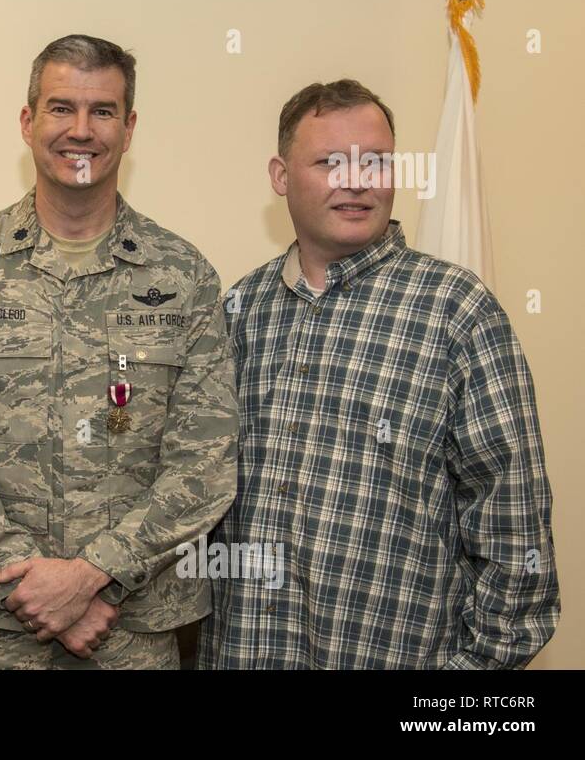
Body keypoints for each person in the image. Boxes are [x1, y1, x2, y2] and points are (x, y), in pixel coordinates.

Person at [0, 34, 238, 669]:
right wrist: (27, 583)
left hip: (129, 632)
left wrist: (92, 577)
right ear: (28, 122)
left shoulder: (186, 277)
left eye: (103, 111)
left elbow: (206, 461)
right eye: (61, 108)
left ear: (129, 128)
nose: (80, 130)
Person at [200, 79, 559, 669]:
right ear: (281, 176)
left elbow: (513, 526)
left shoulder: (456, 309)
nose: (358, 180)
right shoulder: (240, 309)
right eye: (330, 162)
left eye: (376, 162)